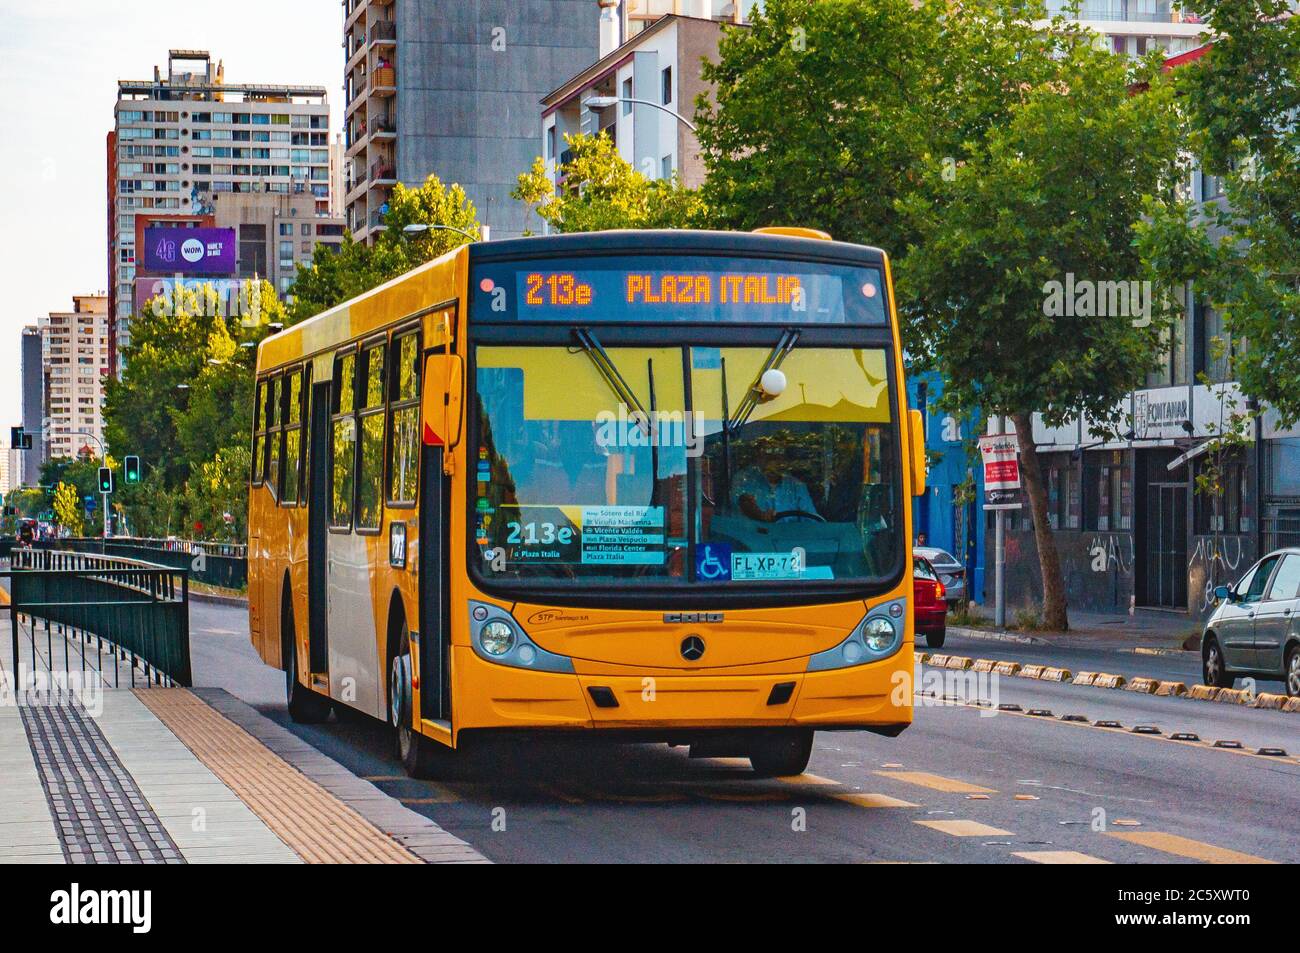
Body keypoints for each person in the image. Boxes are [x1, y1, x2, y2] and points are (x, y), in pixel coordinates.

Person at [732, 444, 817, 522]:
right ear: (759, 458)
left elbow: (811, 519)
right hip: (753, 536)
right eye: (770, 457)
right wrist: (761, 516)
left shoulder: (797, 486)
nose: (775, 462)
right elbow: (744, 502)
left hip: (791, 537)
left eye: (779, 457)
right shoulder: (745, 480)